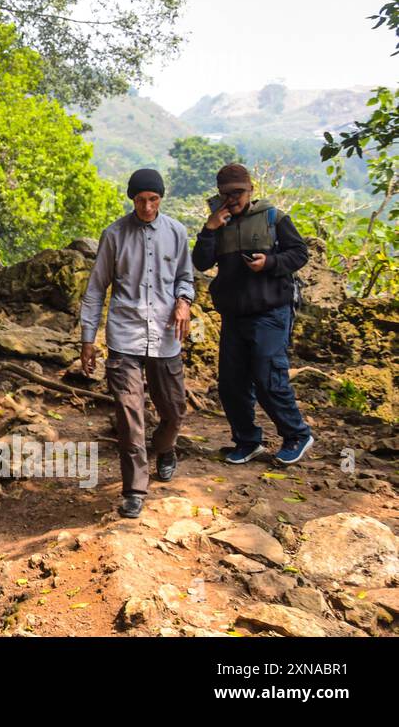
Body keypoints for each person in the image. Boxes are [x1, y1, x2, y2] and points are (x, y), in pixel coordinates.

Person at [79, 168, 195, 519]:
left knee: (174, 411)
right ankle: (134, 490)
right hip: (124, 336)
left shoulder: (176, 232)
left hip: (165, 338)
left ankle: (166, 447)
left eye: (153, 200)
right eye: (141, 200)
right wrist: (88, 339)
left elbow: (185, 277)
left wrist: (184, 301)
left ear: (161, 199)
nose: (147, 207)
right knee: (130, 418)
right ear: (132, 199)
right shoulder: (114, 235)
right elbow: (96, 289)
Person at [191, 163, 313, 465]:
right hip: (234, 314)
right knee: (231, 383)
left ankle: (297, 434)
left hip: (271, 310)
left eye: (238, 193)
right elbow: (201, 262)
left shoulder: (274, 218)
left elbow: (299, 253)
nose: (233, 199)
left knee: (267, 375)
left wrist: (269, 263)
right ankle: (247, 441)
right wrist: (209, 228)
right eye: (226, 194)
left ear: (251, 190)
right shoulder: (218, 224)